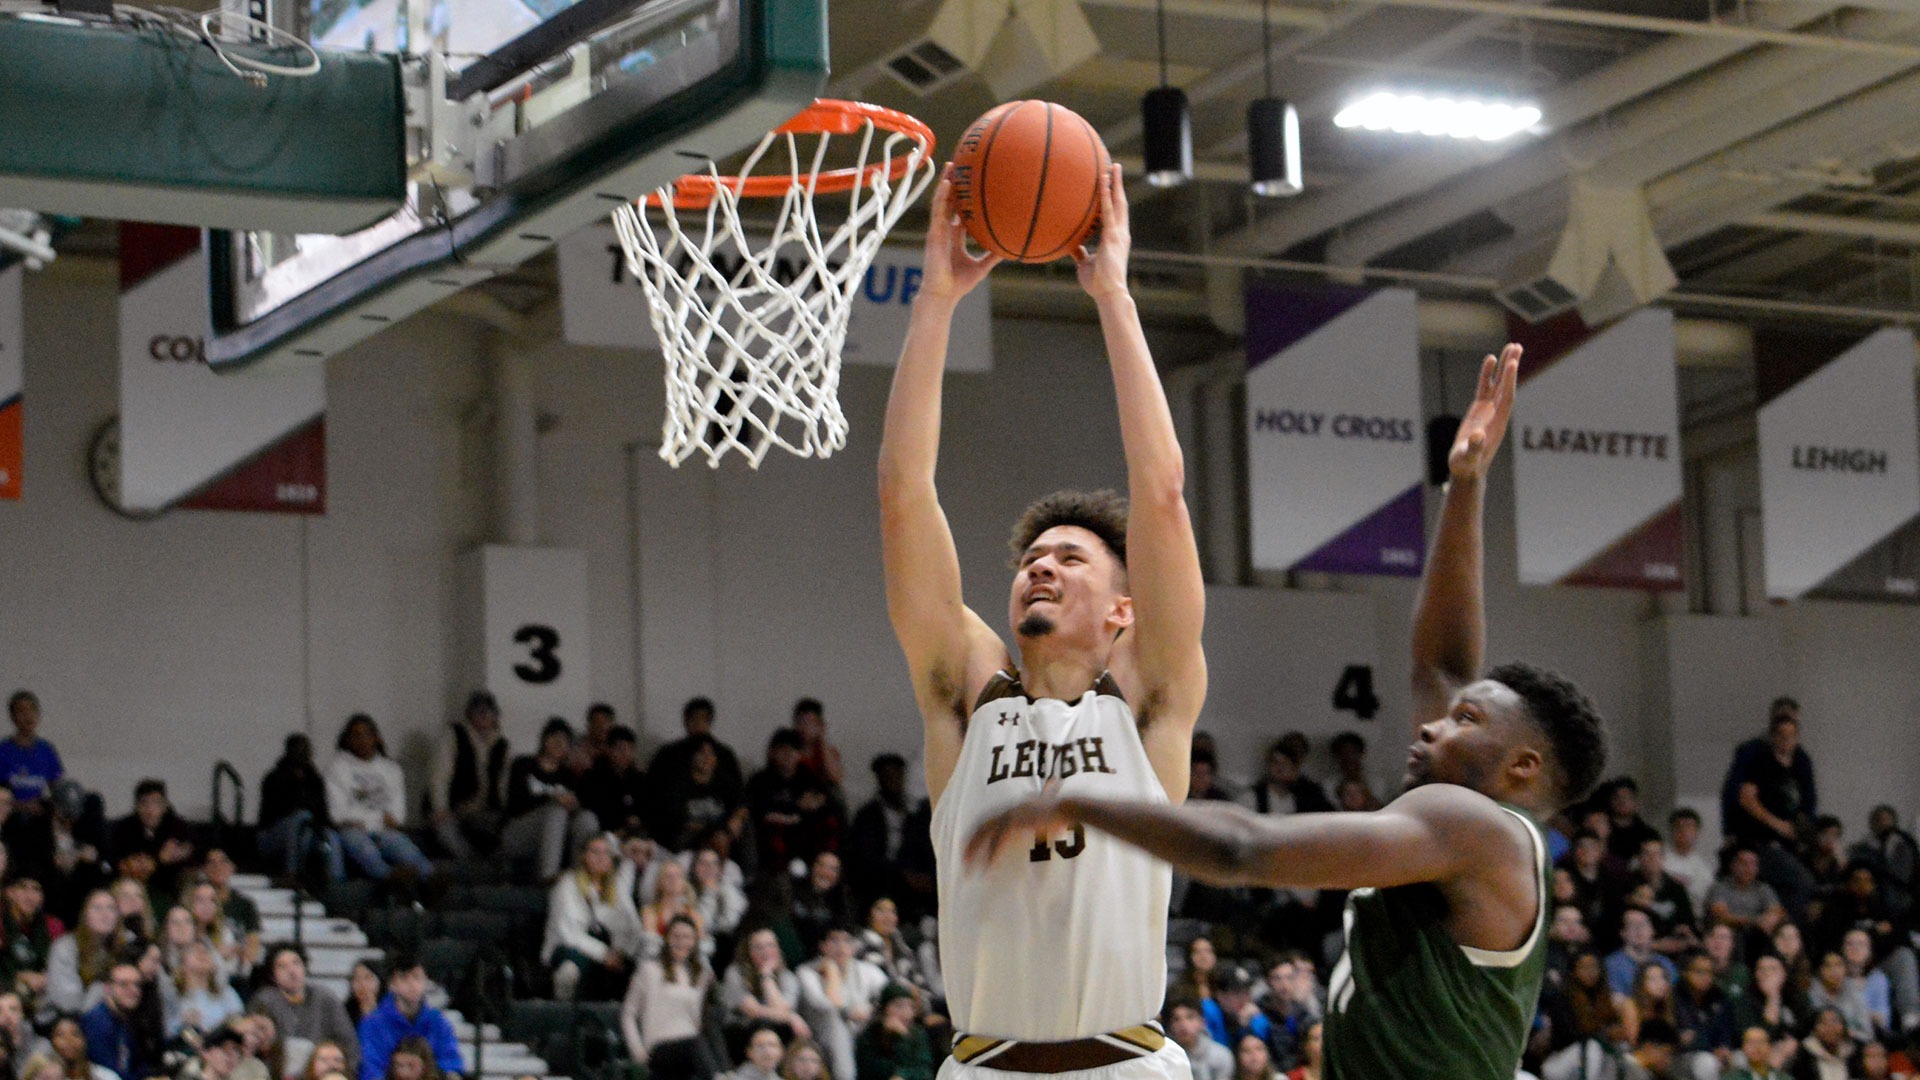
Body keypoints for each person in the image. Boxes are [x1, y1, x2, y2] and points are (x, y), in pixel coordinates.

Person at [968, 346, 1612, 1080]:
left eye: (1464, 722)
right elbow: (1441, 664)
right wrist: (1464, 483)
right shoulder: (1485, 832)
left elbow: (1246, 850)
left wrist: (1077, 801)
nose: (1433, 723)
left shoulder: (1473, 827)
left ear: (1523, 766)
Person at [881, 164, 1206, 1079]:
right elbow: (904, 495)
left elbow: (1163, 492)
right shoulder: (967, 694)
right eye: (1032, 558)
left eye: (1070, 558)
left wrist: (1114, 297)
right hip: (983, 1065)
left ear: (1124, 609)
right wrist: (935, 302)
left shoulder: (1147, 695)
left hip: (1126, 1064)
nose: (1041, 566)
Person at [1719, 700, 1817, 923]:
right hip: (1759, 840)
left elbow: (1808, 801)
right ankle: (1783, 929)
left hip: (1788, 843)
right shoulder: (1756, 756)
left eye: (1791, 734)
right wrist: (1778, 826)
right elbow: (1742, 797)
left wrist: (1804, 832)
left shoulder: (1802, 760)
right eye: (1781, 735)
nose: (1786, 740)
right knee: (1800, 882)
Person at [324, 716, 434, 886]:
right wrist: (380, 817)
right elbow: (338, 814)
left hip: (382, 831)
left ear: (376, 738)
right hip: (351, 831)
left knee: (403, 846)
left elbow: (397, 816)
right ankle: (389, 877)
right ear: (348, 740)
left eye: (366, 735)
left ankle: (430, 878)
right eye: (356, 735)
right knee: (364, 847)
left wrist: (361, 818)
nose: (362, 741)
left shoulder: (391, 769)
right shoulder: (337, 768)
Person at [542, 835, 641, 1003]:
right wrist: (603, 954)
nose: (601, 858)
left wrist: (619, 952)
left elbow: (631, 926)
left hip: (609, 952)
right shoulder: (567, 885)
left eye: (606, 853)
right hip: (570, 950)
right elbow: (568, 933)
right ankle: (562, 1005)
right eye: (595, 852)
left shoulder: (616, 887)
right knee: (570, 969)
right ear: (584, 856)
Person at [502, 719, 599, 884]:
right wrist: (551, 798)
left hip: (555, 835)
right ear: (544, 739)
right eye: (555, 738)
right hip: (518, 830)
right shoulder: (523, 764)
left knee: (587, 817)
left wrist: (573, 805)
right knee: (556, 810)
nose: (559, 743)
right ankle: (548, 877)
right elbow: (515, 804)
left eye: (564, 741)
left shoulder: (568, 776)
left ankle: (582, 879)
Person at [620, 915, 717, 1080]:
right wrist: (638, 1051)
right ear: (666, 939)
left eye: (687, 937)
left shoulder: (700, 975)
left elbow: (697, 1019)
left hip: (691, 1047)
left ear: (694, 942)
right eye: (676, 936)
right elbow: (628, 1014)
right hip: (659, 1046)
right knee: (695, 1045)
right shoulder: (649, 970)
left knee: (712, 1031)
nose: (681, 942)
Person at [249, 944, 360, 1073]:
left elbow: (348, 1042)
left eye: (296, 963)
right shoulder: (264, 1001)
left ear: (304, 967)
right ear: (273, 975)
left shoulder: (325, 998)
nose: (291, 971)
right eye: (282, 966)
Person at [427, 692, 509, 863]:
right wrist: (440, 807)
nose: (484, 716)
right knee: (446, 832)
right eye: (478, 711)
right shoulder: (454, 735)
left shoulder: (502, 744)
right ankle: (471, 864)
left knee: (500, 839)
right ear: (469, 714)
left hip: (484, 813)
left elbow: (504, 784)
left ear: (495, 716)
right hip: (453, 809)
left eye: (488, 711)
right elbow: (440, 775)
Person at [796, 928, 886, 1080]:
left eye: (846, 941)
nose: (841, 947)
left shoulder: (867, 969)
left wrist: (870, 1010)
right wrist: (832, 972)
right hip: (822, 1036)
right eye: (834, 941)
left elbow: (889, 994)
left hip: (863, 1031)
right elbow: (823, 1004)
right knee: (835, 1020)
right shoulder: (806, 971)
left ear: (854, 947)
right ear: (823, 946)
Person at [354, 956, 461, 1080]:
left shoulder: (438, 1021)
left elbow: (451, 1062)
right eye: (404, 978)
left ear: (426, 982)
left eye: (417, 977)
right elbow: (370, 1068)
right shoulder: (373, 1023)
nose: (412, 984)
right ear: (392, 984)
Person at [257, 736, 344, 887]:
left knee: (330, 835)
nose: (302, 754)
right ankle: (291, 872)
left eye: (306, 750)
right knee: (301, 818)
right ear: (288, 751)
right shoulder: (275, 778)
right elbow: (277, 812)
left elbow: (322, 811)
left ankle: (336, 882)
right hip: (272, 835)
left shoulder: (314, 779)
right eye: (298, 750)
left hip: (306, 832)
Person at [748, 731, 840, 873]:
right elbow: (758, 810)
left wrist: (798, 812)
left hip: (805, 837)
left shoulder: (809, 778)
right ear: (773, 753)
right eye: (783, 750)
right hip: (773, 842)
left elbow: (825, 804)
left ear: (800, 754)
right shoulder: (760, 780)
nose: (788, 755)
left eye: (793, 750)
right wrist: (795, 808)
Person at [647, 700, 745, 824]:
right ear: (685, 722)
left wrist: (732, 823)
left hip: (720, 822)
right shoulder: (668, 754)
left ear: (710, 722)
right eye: (693, 720)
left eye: (703, 720)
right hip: (679, 822)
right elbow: (654, 793)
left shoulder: (724, 755)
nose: (698, 725)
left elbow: (739, 796)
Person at [721, 929, 810, 1050]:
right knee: (764, 1024)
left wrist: (766, 976)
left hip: (777, 1030)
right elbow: (754, 1011)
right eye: (758, 947)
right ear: (749, 952)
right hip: (741, 1029)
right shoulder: (735, 972)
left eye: (770, 945)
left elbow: (781, 1009)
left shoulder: (787, 977)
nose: (765, 951)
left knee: (790, 1030)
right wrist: (791, 1017)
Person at [105, 783, 193, 900]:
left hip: (169, 885)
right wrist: (157, 859)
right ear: (136, 806)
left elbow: (188, 852)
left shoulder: (178, 826)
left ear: (164, 806)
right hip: (132, 884)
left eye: (156, 803)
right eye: (144, 803)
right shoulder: (124, 827)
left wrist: (176, 855)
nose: (150, 809)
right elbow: (116, 859)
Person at [48, 891, 124, 1016]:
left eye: (111, 908)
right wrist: (102, 990)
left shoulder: (120, 947)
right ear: (85, 915)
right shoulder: (65, 947)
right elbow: (67, 1003)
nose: (105, 914)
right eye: (97, 908)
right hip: (61, 1018)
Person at [81, 964, 151, 1080]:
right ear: (107, 988)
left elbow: (139, 1064)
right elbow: (110, 1073)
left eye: (137, 985)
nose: (133, 990)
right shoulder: (97, 1023)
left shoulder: (124, 1019)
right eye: (124, 984)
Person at [164, 941, 244, 1040]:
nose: (202, 953)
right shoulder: (172, 995)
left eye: (206, 951)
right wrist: (183, 1023)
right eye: (194, 951)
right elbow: (165, 1029)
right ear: (182, 965)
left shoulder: (226, 992)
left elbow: (239, 1021)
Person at [579, 727, 648, 839]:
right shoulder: (593, 776)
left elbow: (645, 806)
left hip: (632, 833)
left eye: (630, 749)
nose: (625, 754)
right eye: (620, 749)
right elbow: (594, 807)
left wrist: (636, 819)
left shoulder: (638, 778)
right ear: (609, 750)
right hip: (603, 833)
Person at [0, 694, 62, 813]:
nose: (27, 716)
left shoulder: (46, 750)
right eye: (21, 711)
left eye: (32, 710)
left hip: (39, 810)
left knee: (92, 801)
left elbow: (56, 787)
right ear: (13, 717)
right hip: (13, 812)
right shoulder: (3, 751)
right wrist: (21, 806)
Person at [853, 986, 929, 1080]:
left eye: (911, 1007)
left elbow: (924, 1071)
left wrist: (904, 1038)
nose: (906, 1013)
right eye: (899, 1006)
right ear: (884, 1009)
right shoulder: (869, 1036)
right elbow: (871, 1070)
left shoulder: (917, 1034)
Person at [1607, 910, 1677, 997]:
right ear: (1623, 933)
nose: (1639, 929)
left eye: (1644, 924)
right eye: (1632, 925)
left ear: (1652, 930)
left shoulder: (1665, 963)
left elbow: (1674, 995)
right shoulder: (1612, 964)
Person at [1665, 810, 1716, 915]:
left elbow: (1703, 900)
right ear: (1672, 831)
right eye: (1679, 827)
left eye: (1689, 827)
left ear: (1697, 832)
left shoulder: (1704, 869)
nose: (1684, 831)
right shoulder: (1659, 857)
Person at [1164, 999, 1229, 1080]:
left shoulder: (1220, 1055)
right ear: (1170, 1026)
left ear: (1202, 1022)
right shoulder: (1165, 1057)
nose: (1183, 1024)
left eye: (1190, 1017)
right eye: (1176, 1019)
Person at [789, 701, 844, 797]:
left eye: (809, 723)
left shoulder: (827, 751)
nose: (803, 727)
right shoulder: (789, 749)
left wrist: (822, 739)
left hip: (821, 796)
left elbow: (836, 778)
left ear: (819, 726)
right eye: (799, 722)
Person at [48, 1016, 112, 1080]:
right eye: (61, 1035)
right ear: (51, 1041)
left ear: (85, 1039)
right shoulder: (46, 1077)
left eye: (75, 1034)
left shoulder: (104, 1076)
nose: (69, 1040)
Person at [569, 704, 618, 777]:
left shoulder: (616, 748)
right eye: (598, 722)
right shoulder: (577, 748)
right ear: (589, 726)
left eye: (606, 722)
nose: (603, 727)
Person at [343, 963, 382, 1029]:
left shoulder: (391, 1009)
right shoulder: (344, 1012)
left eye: (367, 978)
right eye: (356, 979)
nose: (362, 984)